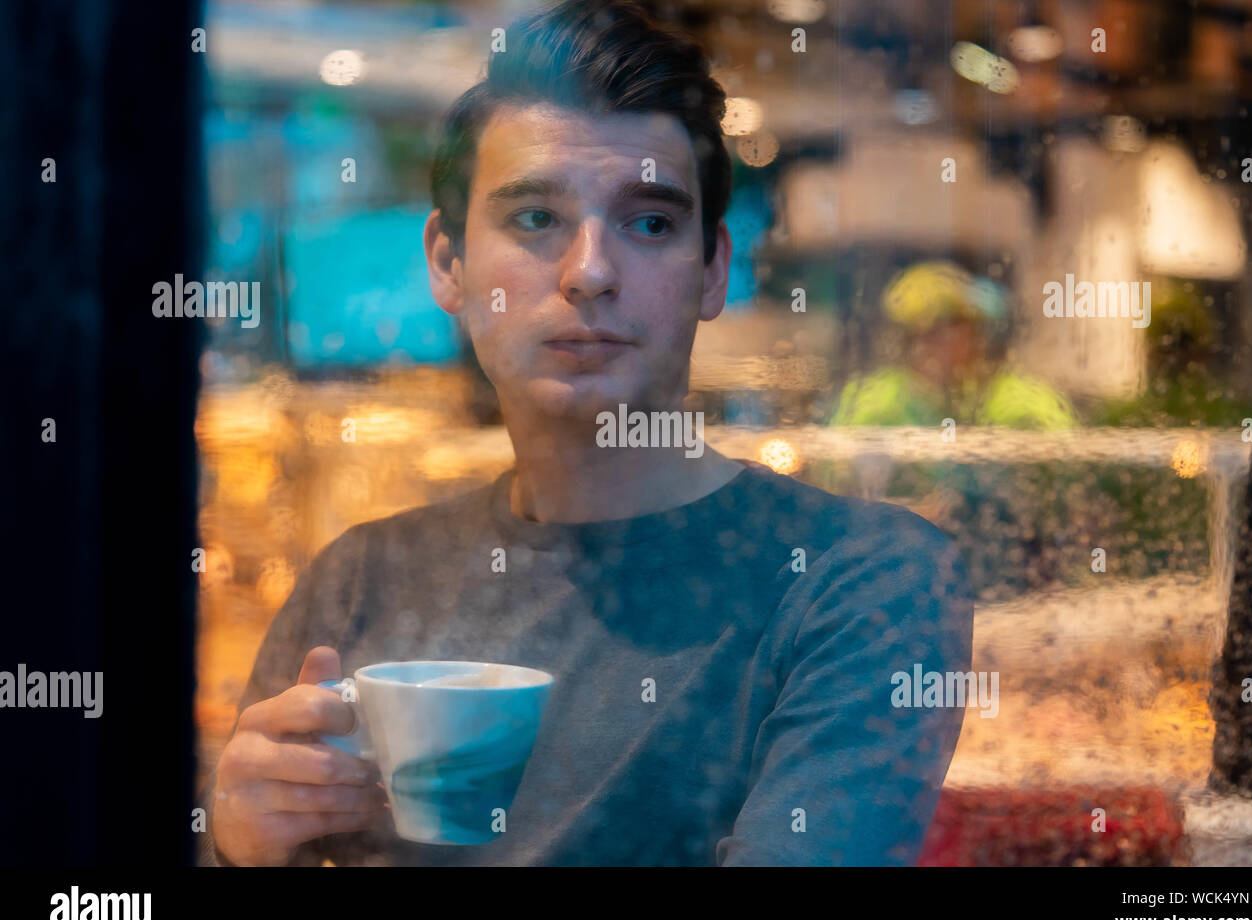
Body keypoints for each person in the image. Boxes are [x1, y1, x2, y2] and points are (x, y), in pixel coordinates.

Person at [200, 0, 973, 867]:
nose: (591, 272)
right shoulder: (359, 582)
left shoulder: (861, 581)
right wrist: (237, 843)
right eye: (535, 220)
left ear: (712, 270)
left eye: (649, 223)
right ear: (448, 264)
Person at [829, 260, 1077, 429]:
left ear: (977, 333)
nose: (931, 346)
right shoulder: (876, 404)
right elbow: (835, 481)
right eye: (917, 334)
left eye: (947, 329)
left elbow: (1063, 480)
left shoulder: (1025, 405)